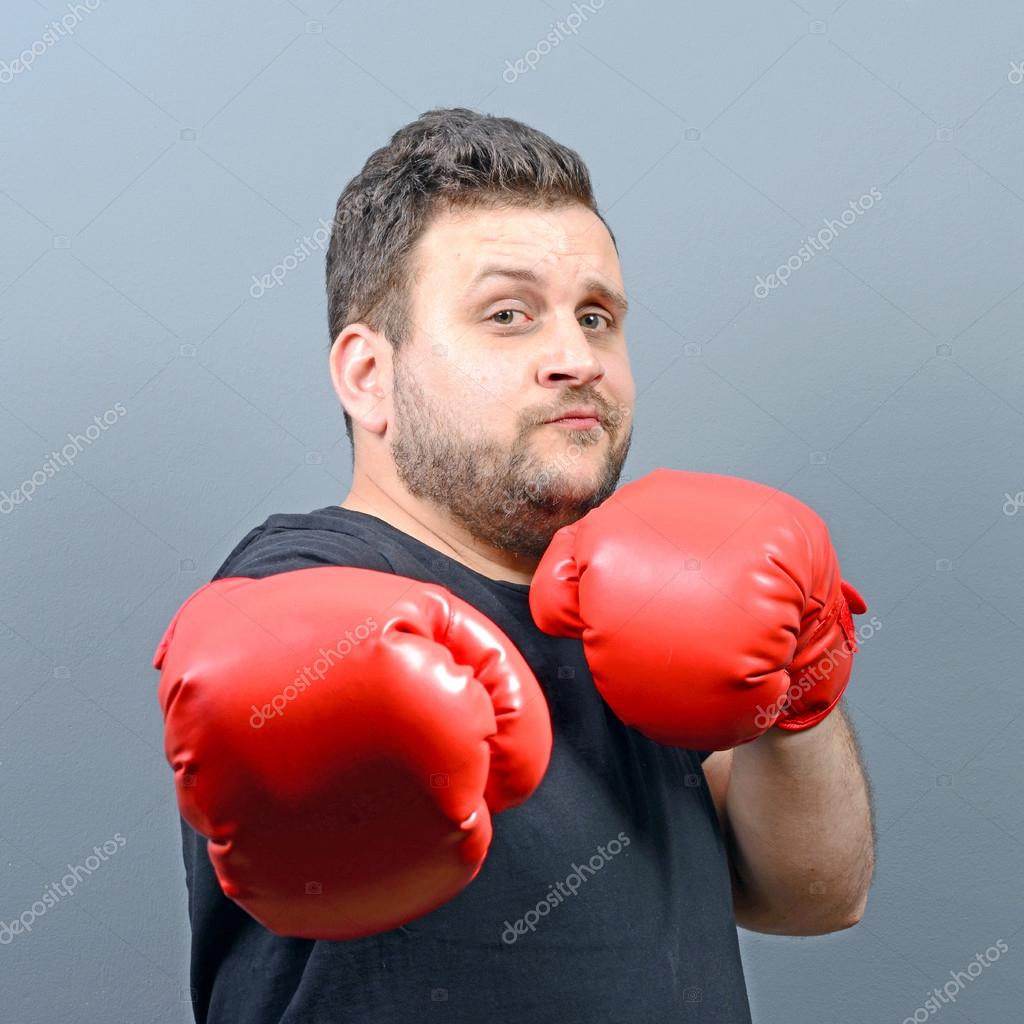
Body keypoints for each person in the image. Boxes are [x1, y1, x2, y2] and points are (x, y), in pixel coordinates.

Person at [156, 107, 876, 1023]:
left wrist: (800, 686)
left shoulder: (650, 599)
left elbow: (816, 898)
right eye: (509, 314)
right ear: (368, 376)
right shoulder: (301, 586)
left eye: (596, 316)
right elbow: (249, 667)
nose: (577, 358)